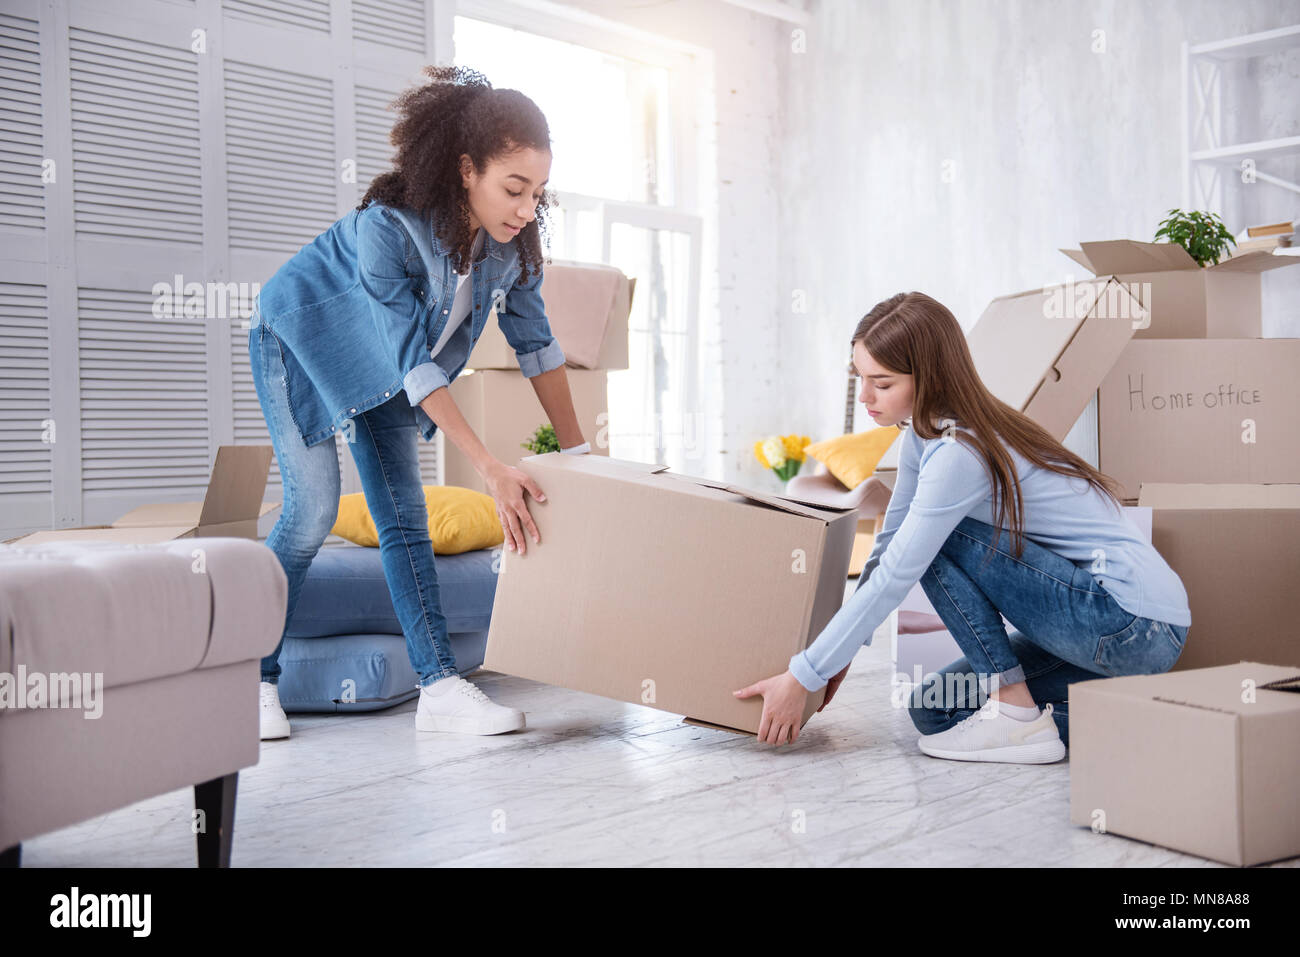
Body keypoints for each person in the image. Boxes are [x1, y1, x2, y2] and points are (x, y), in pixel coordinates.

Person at [249, 66, 589, 741]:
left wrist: (582, 458)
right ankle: (254, 677)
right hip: (299, 334)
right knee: (312, 508)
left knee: (403, 516)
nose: (526, 209)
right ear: (467, 170)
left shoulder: (513, 245)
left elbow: (539, 348)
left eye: (538, 193)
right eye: (513, 189)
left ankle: (438, 688)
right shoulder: (387, 229)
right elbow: (414, 363)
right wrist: (490, 467)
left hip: (386, 367)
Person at [735, 291, 1191, 762]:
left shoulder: (960, 451)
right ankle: (1129, 722)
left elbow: (899, 570)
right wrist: (841, 654)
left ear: (927, 378)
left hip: (1129, 620)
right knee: (935, 711)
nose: (866, 397)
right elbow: (887, 546)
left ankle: (1013, 709)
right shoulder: (924, 434)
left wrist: (803, 675)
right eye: (860, 379)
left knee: (937, 537)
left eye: (883, 383)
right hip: (1125, 635)